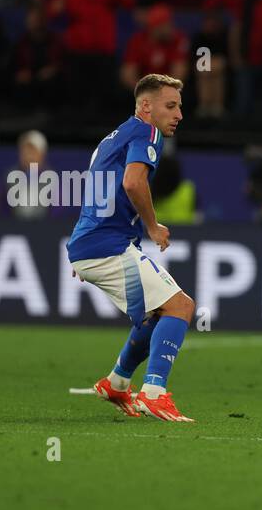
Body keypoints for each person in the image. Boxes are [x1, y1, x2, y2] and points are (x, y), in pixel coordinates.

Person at [65, 74, 196, 423]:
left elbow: (98, 193)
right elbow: (132, 181)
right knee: (180, 307)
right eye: (170, 106)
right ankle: (154, 393)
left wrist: (82, 247)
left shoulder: (111, 139)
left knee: (154, 314)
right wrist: (153, 226)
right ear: (146, 106)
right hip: (106, 246)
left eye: (180, 106)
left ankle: (118, 382)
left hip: (93, 243)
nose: (178, 114)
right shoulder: (145, 132)